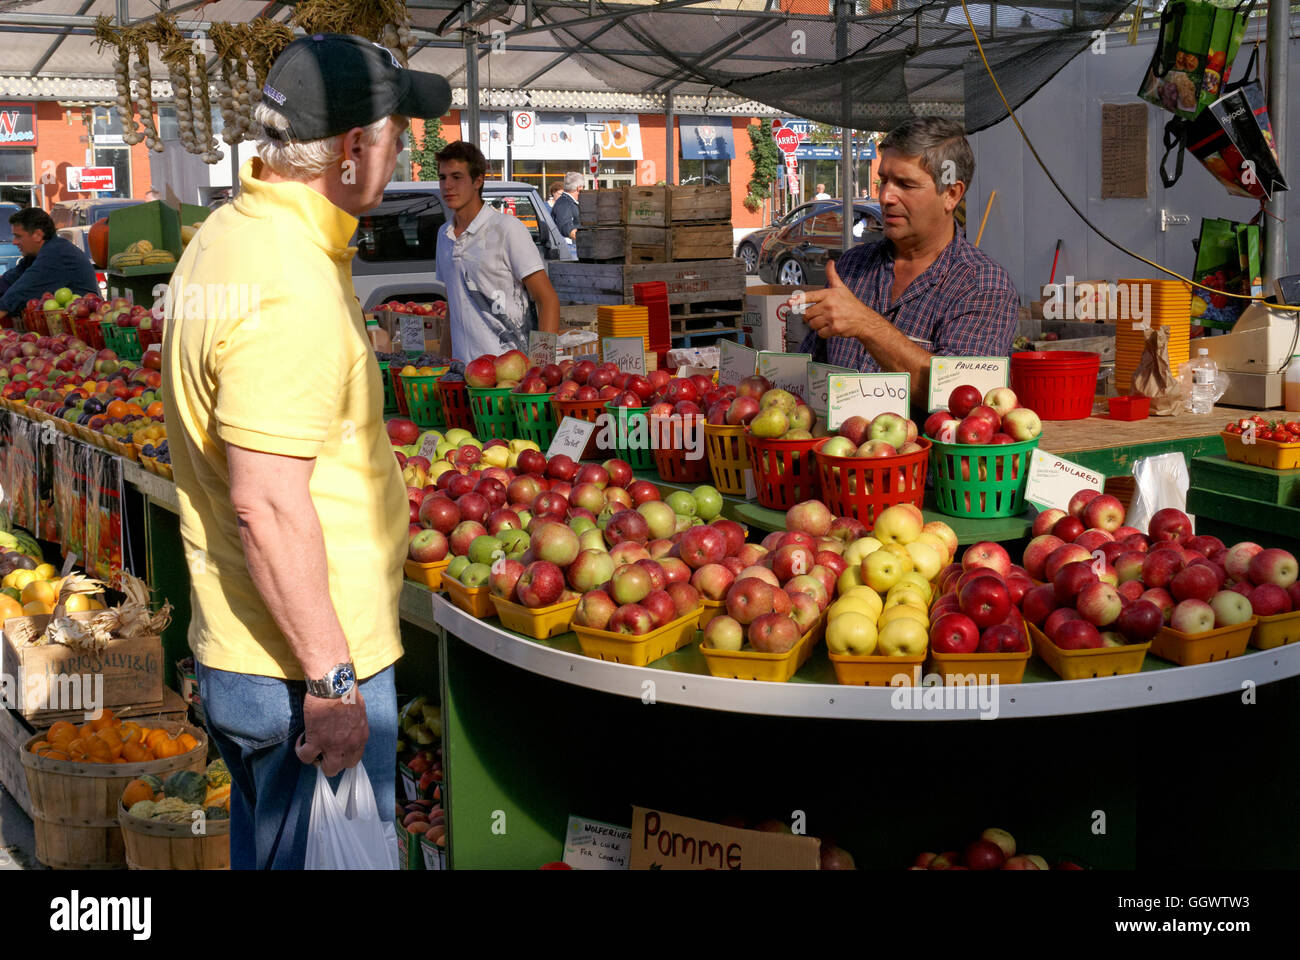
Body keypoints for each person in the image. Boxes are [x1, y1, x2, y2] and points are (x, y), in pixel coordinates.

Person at [160, 33, 451, 870]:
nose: (410, 149)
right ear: (356, 148)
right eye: (399, 131)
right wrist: (331, 683)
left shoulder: (227, 236)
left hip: (247, 653)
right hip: (298, 672)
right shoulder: (288, 284)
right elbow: (268, 504)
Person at [797, 117, 1019, 397]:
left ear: (951, 194)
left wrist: (866, 325)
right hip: (835, 441)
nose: (887, 196)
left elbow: (962, 395)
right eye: (884, 181)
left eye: (906, 184)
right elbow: (808, 377)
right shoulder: (851, 268)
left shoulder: (983, 285)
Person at [435, 140, 560, 361]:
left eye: (456, 177)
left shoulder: (506, 229)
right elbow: (452, 309)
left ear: (478, 181)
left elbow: (547, 299)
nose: (448, 186)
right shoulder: (444, 236)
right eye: (442, 178)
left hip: (510, 376)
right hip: (463, 375)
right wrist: (443, 364)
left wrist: (541, 367)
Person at [0, 207, 98, 320]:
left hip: (78, 325)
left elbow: (20, 291)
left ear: (38, 235)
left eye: (18, 236)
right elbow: (7, 281)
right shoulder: (35, 256)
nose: (14, 242)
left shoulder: (57, 254)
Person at [551, 171, 582, 242]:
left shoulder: (568, 201)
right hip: (569, 248)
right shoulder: (565, 203)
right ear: (579, 188)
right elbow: (567, 230)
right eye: (583, 187)